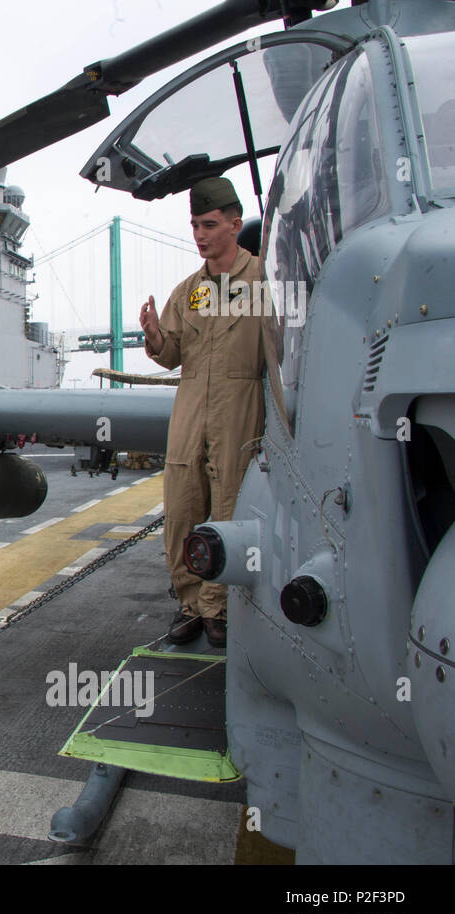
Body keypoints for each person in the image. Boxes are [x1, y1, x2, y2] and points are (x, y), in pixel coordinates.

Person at [138, 176, 271, 649]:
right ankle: (190, 601)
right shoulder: (188, 290)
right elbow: (172, 352)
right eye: (195, 225)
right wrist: (155, 336)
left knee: (229, 503)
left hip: (239, 400)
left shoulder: (265, 281)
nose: (199, 234)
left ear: (235, 225)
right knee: (181, 506)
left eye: (209, 225)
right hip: (191, 402)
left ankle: (218, 606)